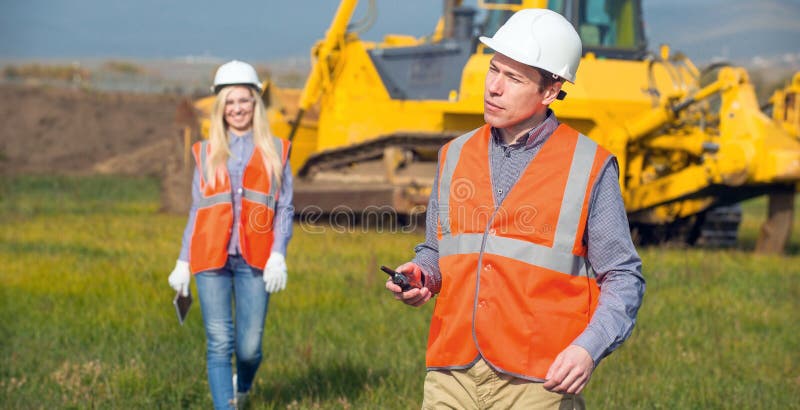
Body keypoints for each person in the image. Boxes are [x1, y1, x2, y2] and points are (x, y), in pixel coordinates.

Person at [385, 9, 645, 409]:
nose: (494, 87)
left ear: (550, 90)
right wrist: (422, 275)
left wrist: (588, 349)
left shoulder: (589, 165)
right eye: (494, 70)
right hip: (451, 369)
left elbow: (623, 276)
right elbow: (438, 249)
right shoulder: (453, 155)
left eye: (513, 78)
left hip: (539, 380)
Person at [167, 60, 293, 410]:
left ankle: (244, 386)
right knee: (219, 343)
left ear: (255, 104)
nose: (237, 109)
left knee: (250, 347)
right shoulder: (206, 152)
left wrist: (278, 254)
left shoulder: (277, 151)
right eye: (230, 102)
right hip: (210, 260)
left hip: (256, 259)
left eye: (244, 100)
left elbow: (284, 208)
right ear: (221, 108)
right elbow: (198, 210)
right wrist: (182, 261)